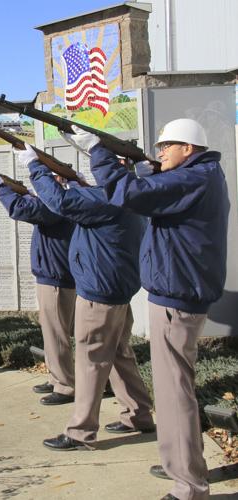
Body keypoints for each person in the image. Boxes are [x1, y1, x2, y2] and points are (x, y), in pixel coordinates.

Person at [76, 119, 229, 500]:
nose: (159, 153)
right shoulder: (199, 175)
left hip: (176, 300)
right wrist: (128, 166)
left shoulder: (194, 178)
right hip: (178, 295)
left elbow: (128, 193)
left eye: (166, 147)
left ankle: (189, 486)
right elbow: (142, 191)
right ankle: (181, 462)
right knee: (175, 389)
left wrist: (97, 150)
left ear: (188, 149)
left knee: (174, 393)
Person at [18, 144, 155, 451]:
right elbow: (83, 199)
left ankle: (81, 431)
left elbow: (58, 201)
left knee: (90, 360)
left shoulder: (107, 198)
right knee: (119, 355)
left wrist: (35, 166)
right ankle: (139, 414)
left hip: (99, 293)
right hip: (117, 289)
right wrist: (79, 183)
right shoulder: (134, 193)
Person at [0, 171, 77, 404]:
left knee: (57, 334)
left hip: (56, 278)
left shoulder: (59, 202)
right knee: (52, 332)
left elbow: (22, 209)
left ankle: (65, 385)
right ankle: (57, 376)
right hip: (52, 275)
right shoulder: (59, 200)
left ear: (59, 180)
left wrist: (1, 188)